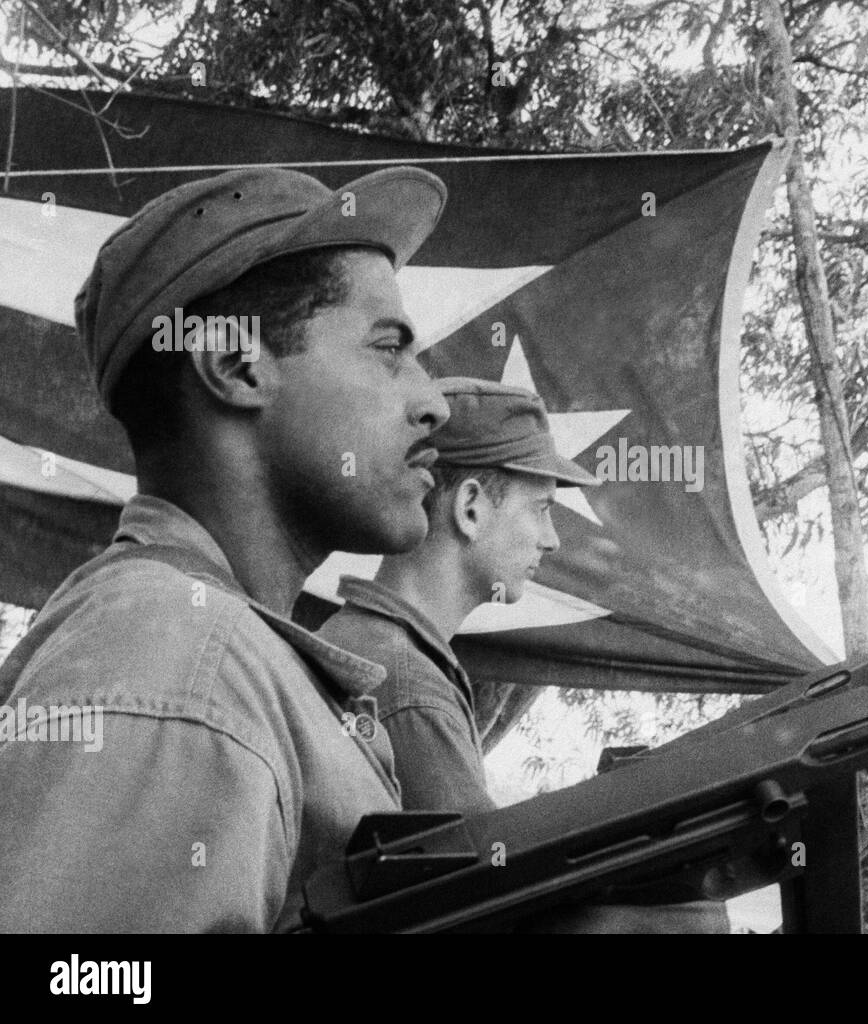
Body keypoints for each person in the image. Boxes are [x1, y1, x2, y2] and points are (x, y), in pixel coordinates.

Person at [0, 166, 451, 932]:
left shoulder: (216, 652)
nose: (434, 403)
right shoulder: (178, 650)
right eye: (388, 348)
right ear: (236, 364)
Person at [318, 377, 730, 932]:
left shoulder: (366, 643)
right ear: (470, 508)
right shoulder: (408, 686)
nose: (552, 538)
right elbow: (483, 912)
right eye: (540, 508)